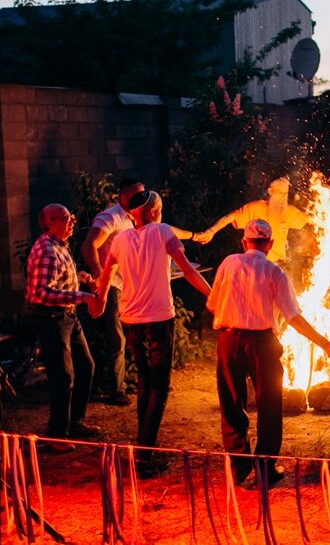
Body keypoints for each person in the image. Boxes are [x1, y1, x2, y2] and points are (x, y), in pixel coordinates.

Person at [207, 219, 330, 487]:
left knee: (231, 403)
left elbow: (212, 305)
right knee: (269, 405)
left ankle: (238, 466)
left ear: (244, 242)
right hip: (261, 344)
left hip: (228, 340)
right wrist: (326, 344)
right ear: (270, 245)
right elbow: (293, 317)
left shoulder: (228, 263)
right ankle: (264, 469)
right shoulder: (274, 272)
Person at [91, 191, 212, 477]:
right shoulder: (163, 232)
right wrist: (214, 296)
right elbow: (188, 271)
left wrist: (100, 299)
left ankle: (143, 447)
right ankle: (145, 457)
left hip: (131, 318)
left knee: (145, 379)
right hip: (158, 318)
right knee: (159, 385)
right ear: (155, 210)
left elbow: (106, 273)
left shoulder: (120, 240)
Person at [25, 204, 101, 452]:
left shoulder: (59, 244)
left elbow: (57, 279)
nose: (72, 222)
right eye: (66, 219)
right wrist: (83, 297)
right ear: (50, 222)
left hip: (68, 316)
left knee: (85, 365)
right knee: (63, 376)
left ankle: (75, 421)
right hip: (51, 318)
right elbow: (41, 293)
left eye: (71, 218)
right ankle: (56, 435)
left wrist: (79, 276)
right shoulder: (47, 250)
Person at [80, 179, 145, 407]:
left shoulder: (133, 220)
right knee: (116, 337)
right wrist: (100, 275)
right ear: (124, 197)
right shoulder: (110, 218)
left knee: (133, 335)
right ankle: (116, 389)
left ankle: (130, 381)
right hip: (115, 287)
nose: (141, 201)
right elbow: (89, 246)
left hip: (131, 286)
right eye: (137, 196)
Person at [200, 177, 311, 265]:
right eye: (280, 193)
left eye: (285, 194)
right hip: (255, 266)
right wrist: (211, 231)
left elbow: (312, 218)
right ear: (270, 191)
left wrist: (325, 210)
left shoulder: (289, 212)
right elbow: (230, 217)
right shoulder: (255, 208)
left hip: (277, 265)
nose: (283, 197)